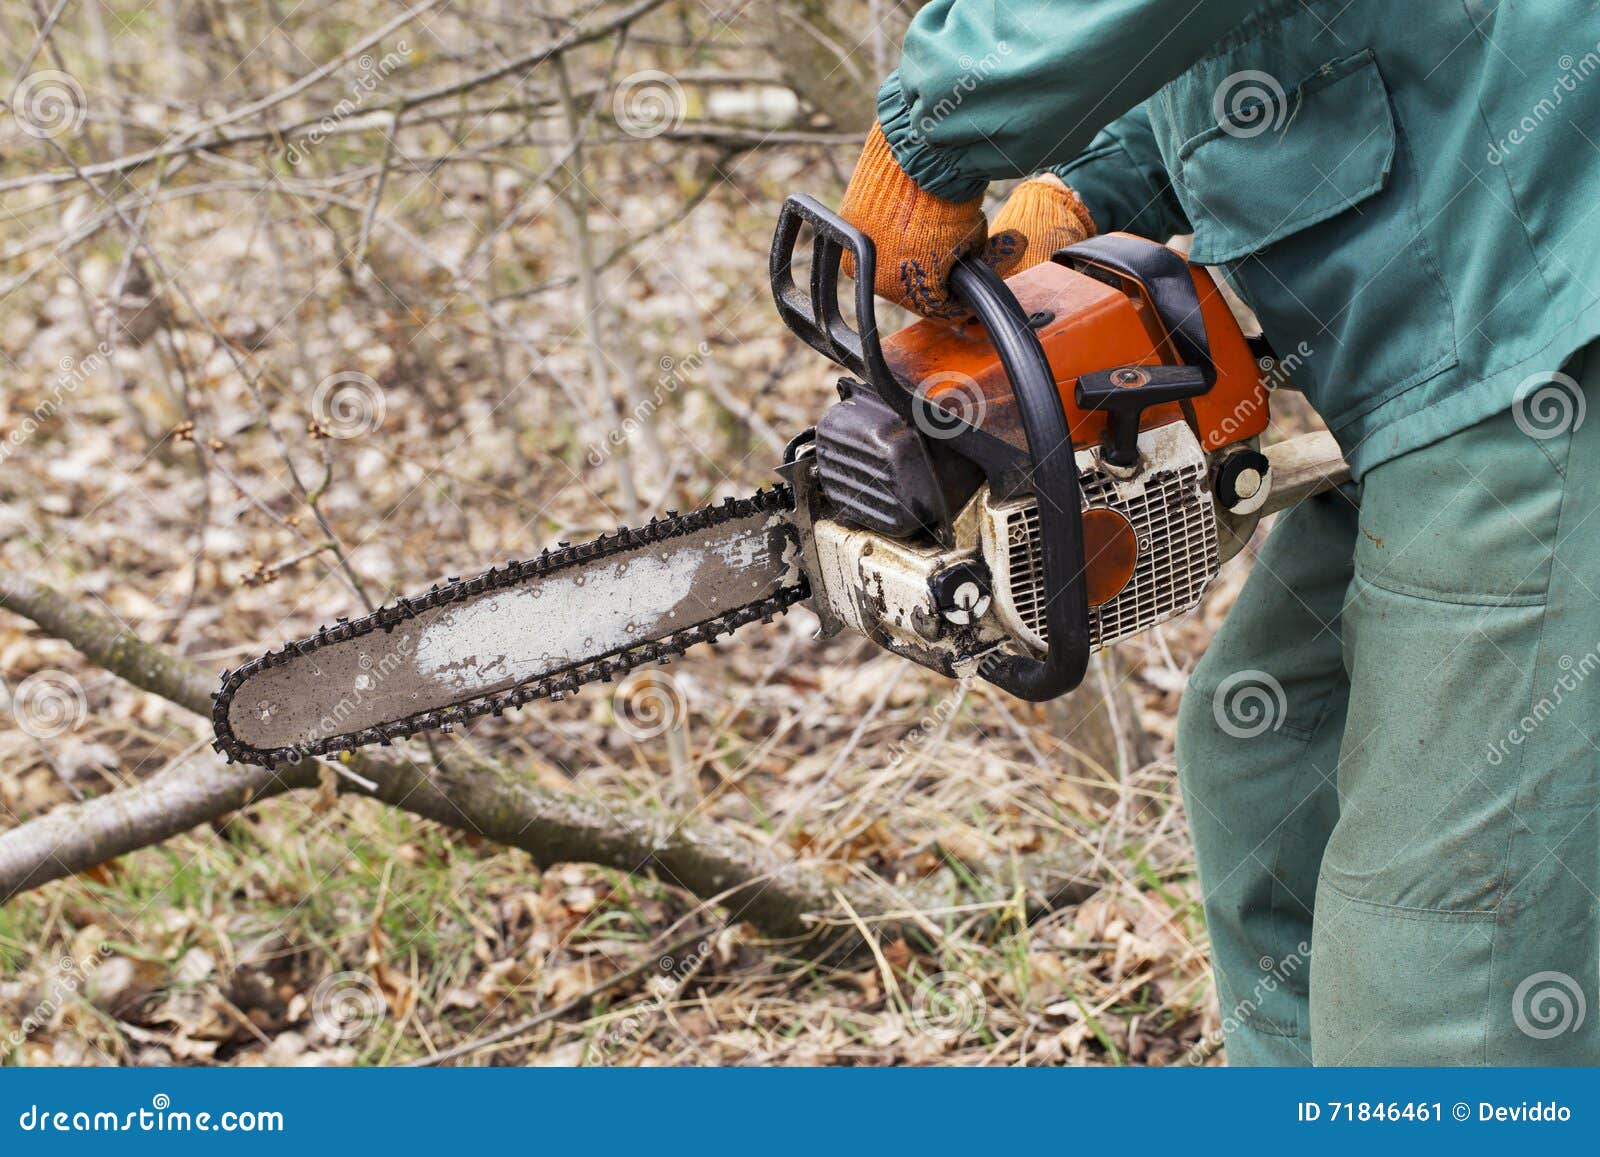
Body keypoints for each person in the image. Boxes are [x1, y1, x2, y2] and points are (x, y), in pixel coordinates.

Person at [839, 0, 1600, 1065]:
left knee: (1442, 959)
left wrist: (930, 136)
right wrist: (1092, 185)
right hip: (1427, 356)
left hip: (1545, 309)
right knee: (1268, 757)